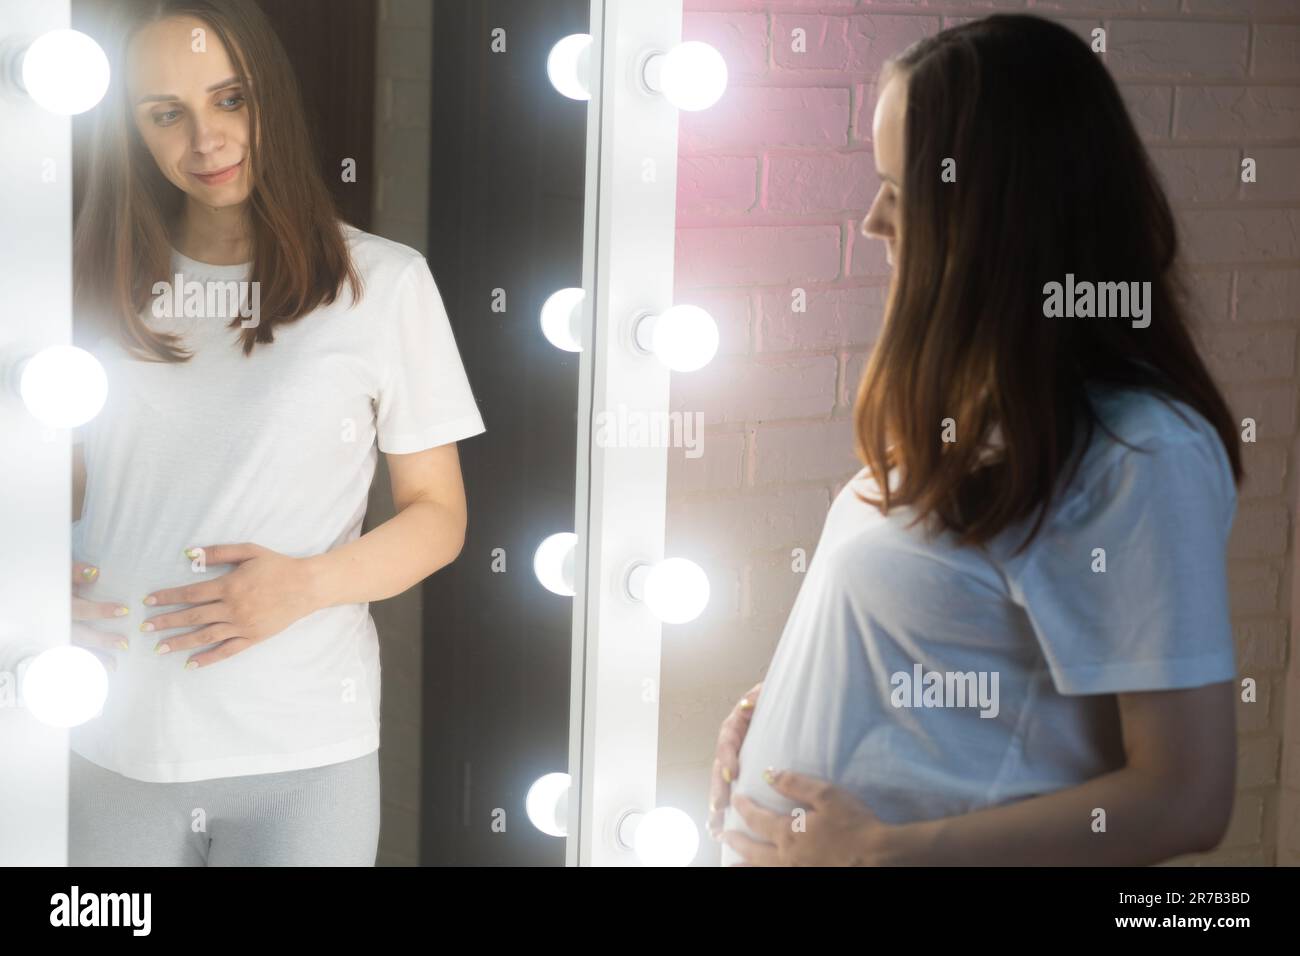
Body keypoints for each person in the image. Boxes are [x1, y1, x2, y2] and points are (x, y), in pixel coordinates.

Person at [709, 14, 1241, 866]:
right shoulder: (980, 415)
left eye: (900, 186)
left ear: (1002, 208)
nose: (873, 220)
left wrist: (882, 853)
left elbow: (1184, 798)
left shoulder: (1141, 453)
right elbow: (953, 656)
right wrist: (786, 707)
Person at [68, 0, 484, 865]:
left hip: (304, 754)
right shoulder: (84, 291)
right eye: (165, 115)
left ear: (271, 101)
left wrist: (306, 585)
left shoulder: (384, 284)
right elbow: (50, 492)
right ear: (134, 131)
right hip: (112, 743)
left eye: (231, 99)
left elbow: (438, 516)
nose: (207, 141)